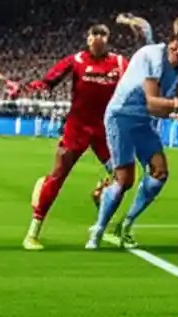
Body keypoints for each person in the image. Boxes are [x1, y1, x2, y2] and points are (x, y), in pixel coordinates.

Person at [87, 17, 178, 250]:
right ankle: (98, 229)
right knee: (125, 180)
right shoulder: (151, 55)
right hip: (121, 116)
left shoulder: (177, 69)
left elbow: (159, 112)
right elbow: (154, 102)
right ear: (175, 44)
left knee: (159, 172)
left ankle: (125, 224)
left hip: (143, 121)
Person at [23, 24, 128, 251]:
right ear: (88, 38)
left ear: (108, 39)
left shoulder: (120, 64)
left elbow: (136, 84)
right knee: (58, 177)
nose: (98, 38)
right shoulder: (76, 60)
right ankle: (32, 233)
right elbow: (48, 81)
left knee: (123, 179)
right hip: (77, 129)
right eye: (94, 34)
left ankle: (103, 222)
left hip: (106, 131)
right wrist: (32, 88)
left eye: (103, 34)